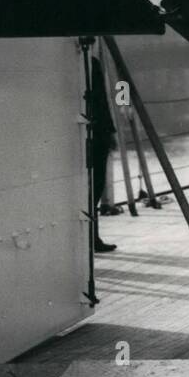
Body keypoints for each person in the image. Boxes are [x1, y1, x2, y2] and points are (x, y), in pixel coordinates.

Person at [88, 53, 118, 252]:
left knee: (94, 188)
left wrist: (124, 105)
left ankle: (92, 237)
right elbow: (114, 90)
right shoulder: (95, 63)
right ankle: (92, 237)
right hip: (100, 131)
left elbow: (121, 85)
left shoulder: (98, 62)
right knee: (95, 187)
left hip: (100, 129)